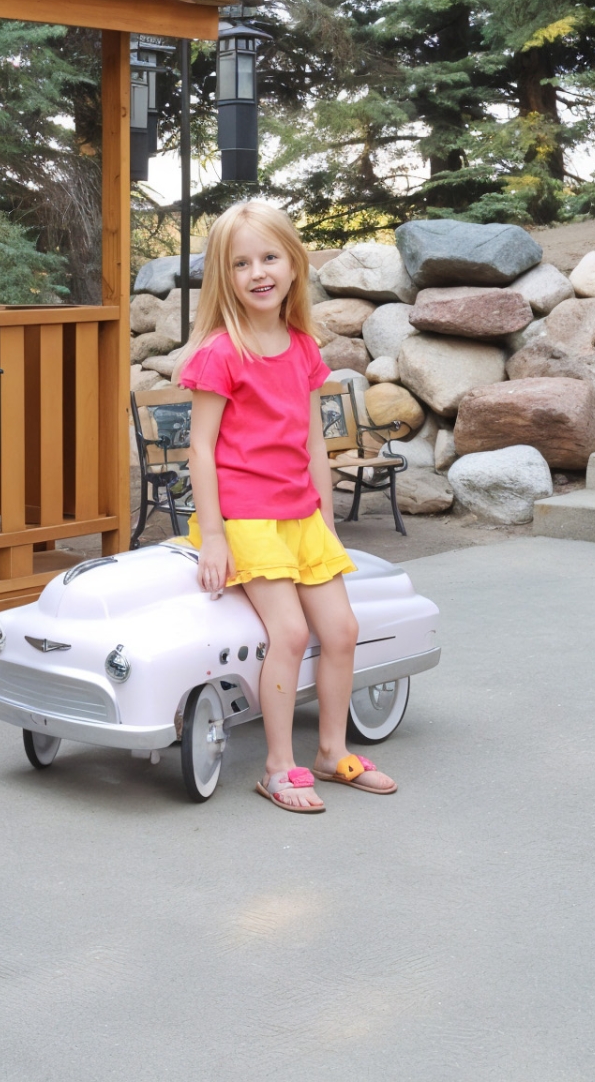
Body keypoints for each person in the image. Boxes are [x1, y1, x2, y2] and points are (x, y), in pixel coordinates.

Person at [176, 201, 398, 813]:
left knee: (343, 630)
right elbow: (199, 448)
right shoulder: (221, 352)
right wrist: (214, 535)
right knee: (292, 632)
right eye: (241, 263)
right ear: (225, 276)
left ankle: (331, 752)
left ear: (294, 264)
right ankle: (278, 765)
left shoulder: (302, 346)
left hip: (300, 517)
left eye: (269, 257)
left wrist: (325, 522)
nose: (258, 272)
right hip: (246, 518)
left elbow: (312, 444)